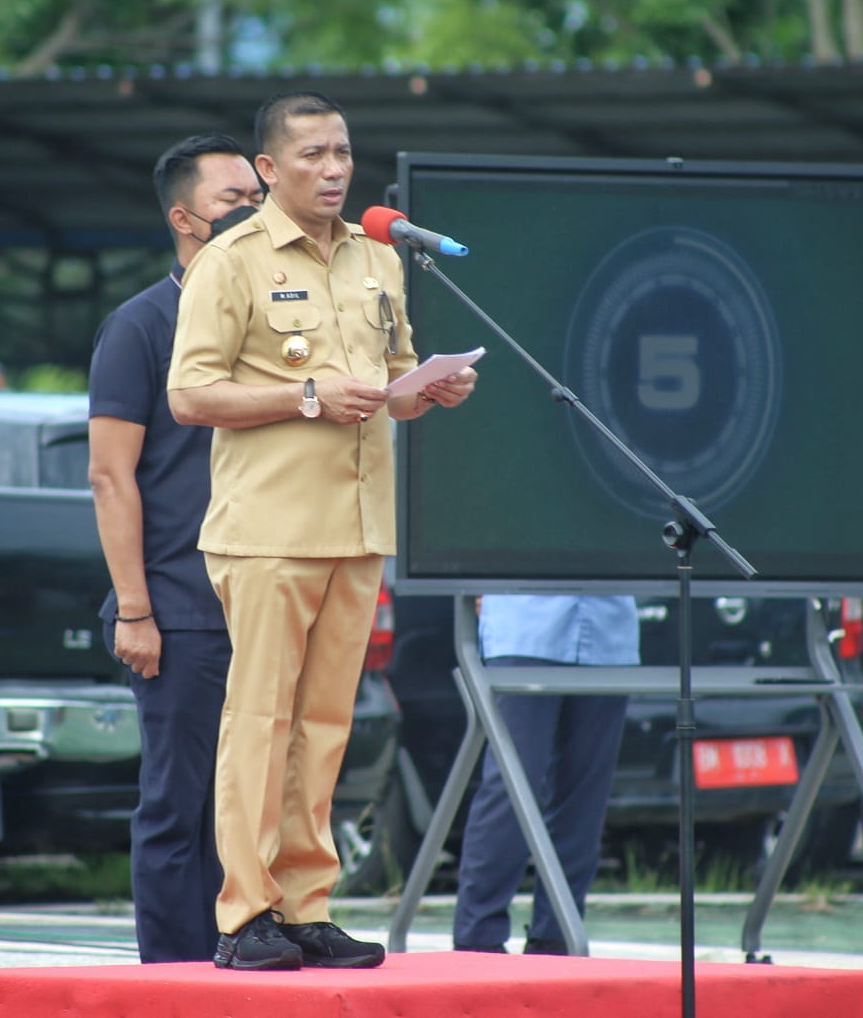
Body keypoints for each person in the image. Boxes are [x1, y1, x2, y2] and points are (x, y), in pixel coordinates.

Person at [167, 91, 478, 972]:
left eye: (342, 151)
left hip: (355, 525)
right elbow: (189, 394)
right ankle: (244, 912)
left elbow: (393, 379)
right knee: (259, 720)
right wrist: (303, 395)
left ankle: (305, 905)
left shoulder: (379, 257)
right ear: (268, 169)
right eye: (311, 155)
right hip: (268, 529)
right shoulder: (231, 261)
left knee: (326, 725)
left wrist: (430, 389)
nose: (334, 169)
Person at [87, 133, 265, 963]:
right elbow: (111, 479)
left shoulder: (270, 318)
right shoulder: (140, 327)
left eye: (257, 194)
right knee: (178, 805)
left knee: (248, 805)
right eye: (235, 199)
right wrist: (135, 609)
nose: (255, 209)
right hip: (179, 610)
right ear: (184, 217)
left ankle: (236, 960)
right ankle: (172, 978)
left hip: (262, 598)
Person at [452, 594, 640, 955]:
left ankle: (557, 936)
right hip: (525, 630)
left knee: (585, 795)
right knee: (512, 785)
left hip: (609, 634)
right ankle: (478, 938)